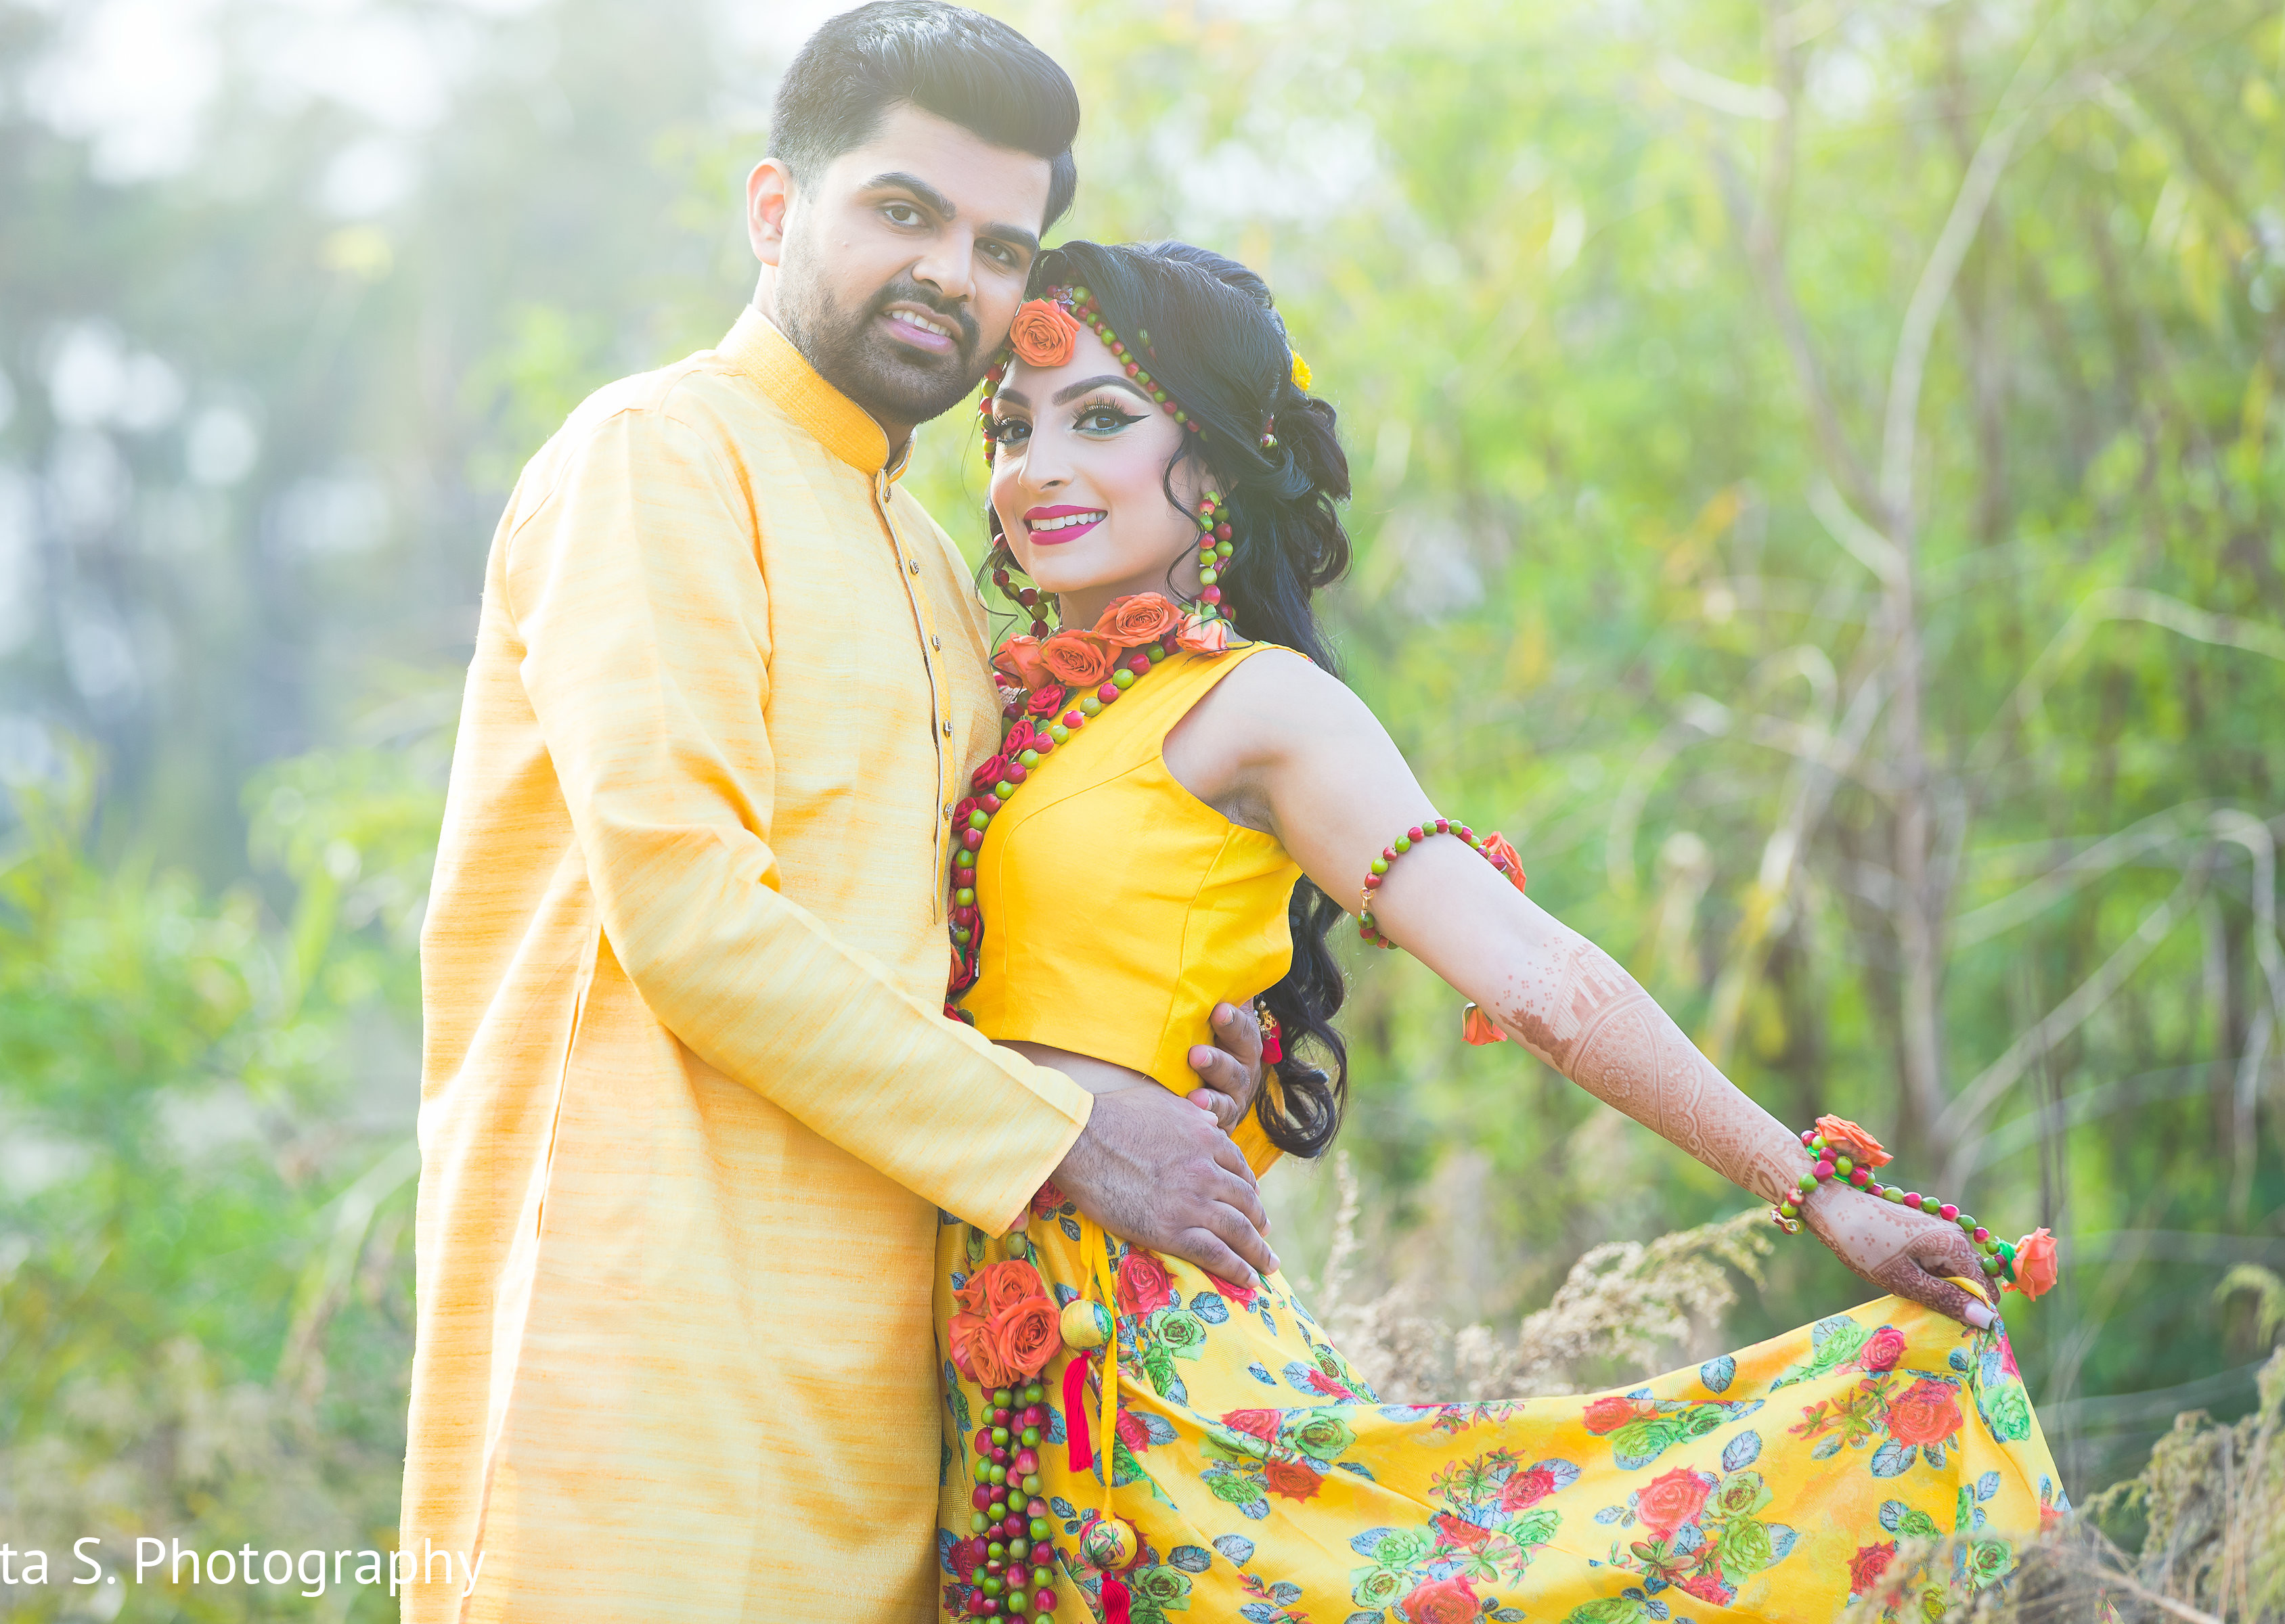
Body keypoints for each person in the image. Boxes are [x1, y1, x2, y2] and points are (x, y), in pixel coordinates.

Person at [929, 239, 2068, 1624]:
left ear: (1221, 461)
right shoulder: (1003, 707)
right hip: (985, 1366)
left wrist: (1810, 1185)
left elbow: (1537, 977)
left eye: (1101, 418)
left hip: (1153, 1392)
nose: (1037, 467)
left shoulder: (1264, 707)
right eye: (1011, 426)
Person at [399, 11, 1283, 1621]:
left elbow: (960, 958)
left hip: (876, 1404)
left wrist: (1161, 1052)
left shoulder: (943, 576)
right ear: (773, 209)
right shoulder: (656, 460)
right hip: (630, 1382)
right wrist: (1074, 1138)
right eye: (904, 213)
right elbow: (691, 919)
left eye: (1000, 243)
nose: (954, 272)